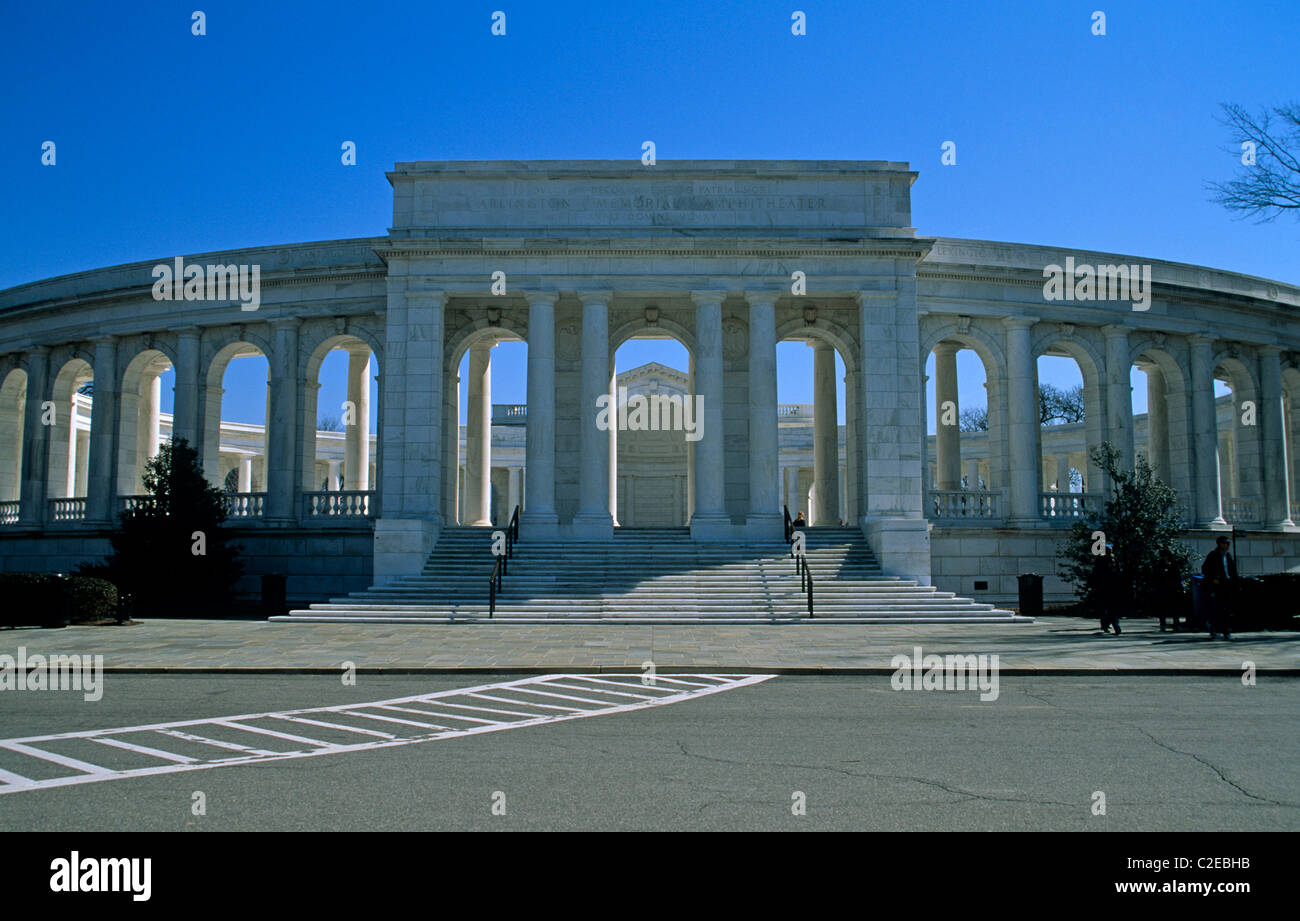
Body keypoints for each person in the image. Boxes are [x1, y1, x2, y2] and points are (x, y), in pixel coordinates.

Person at [1201, 536, 1238, 640]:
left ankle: (1226, 631)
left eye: (1228, 543)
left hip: (1227, 585)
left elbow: (1232, 571)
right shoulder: (1213, 555)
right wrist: (1213, 579)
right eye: (1226, 543)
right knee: (1216, 609)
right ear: (1220, 544)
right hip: (1216, 587)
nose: (1228, 545)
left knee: (1226, 610)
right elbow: (1205, 569)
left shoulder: (1228, 556)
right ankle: (1214, 629)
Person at [1093, 548, 1121, 635]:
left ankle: (1109, 624)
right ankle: (1114, 625)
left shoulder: (1100, 561)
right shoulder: (1111, 562)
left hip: (1105, 589)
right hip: (1109, 589)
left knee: (1106, 609)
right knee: (1111, 609)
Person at [1156, 548, 1185, 632]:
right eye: (1163, 556)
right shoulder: (1159, 565)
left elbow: (1178, 577)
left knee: (1175, 608)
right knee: (1162, 608)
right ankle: (1163, 624)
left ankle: (1176, 624)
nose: (1165, 558)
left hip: (1173, 588)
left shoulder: (1174, 565)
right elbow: (1156, 576)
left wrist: (1180, 587)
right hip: (1163, 589)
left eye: (1166, 556)